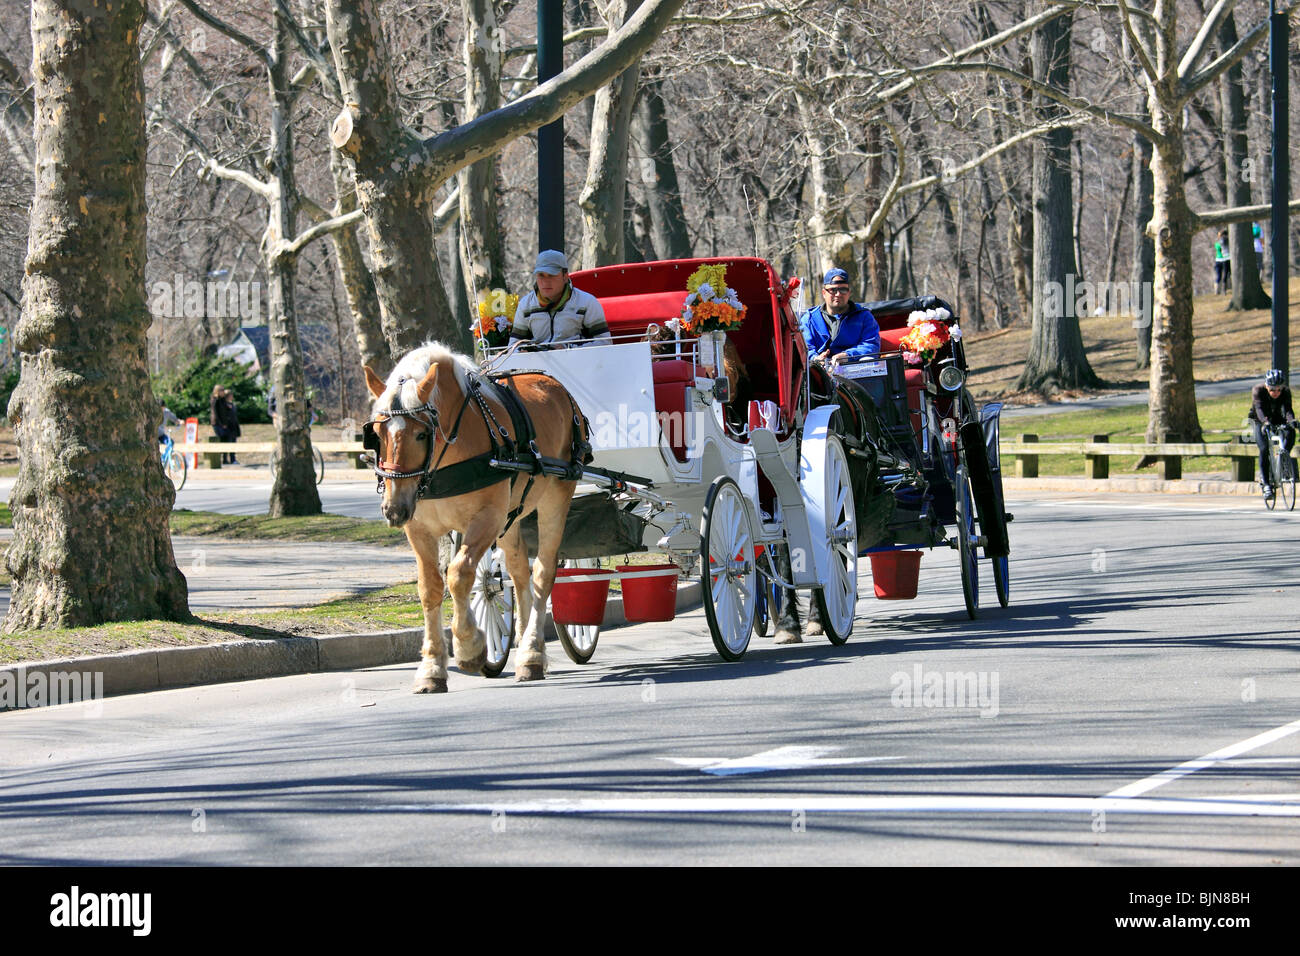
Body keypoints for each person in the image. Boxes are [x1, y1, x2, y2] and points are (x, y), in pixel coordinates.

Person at [509, 250, 611, 348]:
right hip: (536, 366)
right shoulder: (525, 305)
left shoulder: (587, 303)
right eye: (541, 275)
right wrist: (523, 352)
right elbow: (513, 347)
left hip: (579, 364)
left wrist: (569, 349)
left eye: (551, 275)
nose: (545, 282)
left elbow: (605, 343)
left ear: (565, 276)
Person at [797, 268, 880, 366]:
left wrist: (847, 355)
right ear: (824, 293)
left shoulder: (864, 316)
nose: (838, 294)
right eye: (833, 290)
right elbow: (803, 348)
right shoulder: (809, 319)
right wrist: (816, 359)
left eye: (843, 289)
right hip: (819, 374)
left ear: (849, 292)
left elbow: (871, 345)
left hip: (856, 371)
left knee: (868, 360)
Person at [1248, 369, 1295, 496]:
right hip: (1260, 420)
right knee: (1264, 448)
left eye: (1279, 389)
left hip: (1276, 418)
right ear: (1267, 386)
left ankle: (1283, 458)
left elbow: (1288, 409)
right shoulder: (1258, 390)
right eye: (1272, 390)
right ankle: (1266, 483)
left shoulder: (1285, 392)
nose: (1276, 393)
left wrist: (1292, 421)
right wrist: (1265, 422)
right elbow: (1259, 409)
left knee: (1291, 431)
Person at [210, 384, 241, 465]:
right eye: (222, 390)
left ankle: (225, 459)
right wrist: (221, 424)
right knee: (221, 440)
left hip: (223, 423)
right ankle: (220, 459)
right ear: (218, 391)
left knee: (226, 440)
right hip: (217, 423)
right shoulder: (215, 400)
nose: (223, 392)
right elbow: (216, 414)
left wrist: (229, 407)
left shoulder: (222, 399)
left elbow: (225, 408)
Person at [1213, 230, 1230, 294]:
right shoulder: (1224, 242)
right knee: (1225, 274)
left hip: (1217, 260)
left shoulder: (1217, 243)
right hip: (1223, 259)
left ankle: (1216, 290)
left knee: (1219, 276)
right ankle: (1224, 289)